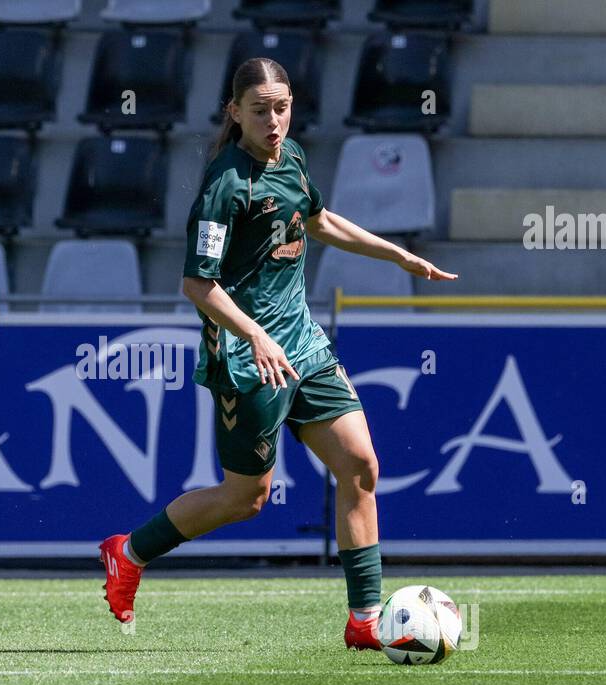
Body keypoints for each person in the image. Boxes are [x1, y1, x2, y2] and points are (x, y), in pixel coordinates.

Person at [97, 58, 457, 649]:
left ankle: (364, 619)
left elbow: (318, 220)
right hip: (246, 358)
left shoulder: (290, 159)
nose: (273, 120)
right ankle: (129, 551)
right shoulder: (223, 186)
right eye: (259, 109)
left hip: (303, 342)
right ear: (233, 112)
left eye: (282, 107)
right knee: (247, 499)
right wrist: (253, 334)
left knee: (361, 467)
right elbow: (197, 284)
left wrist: (397, 255)